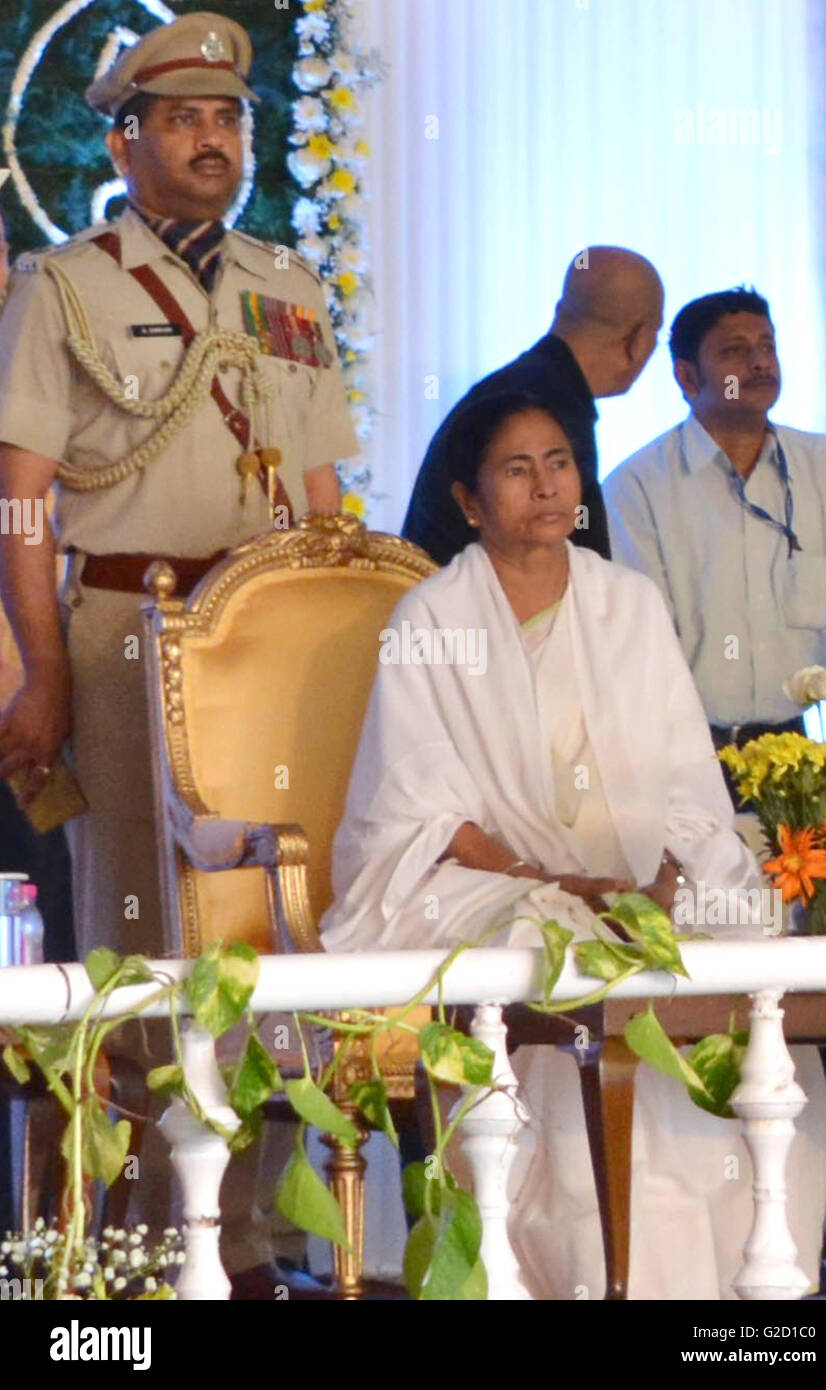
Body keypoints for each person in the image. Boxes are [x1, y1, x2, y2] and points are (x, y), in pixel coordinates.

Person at [321, 391, 826, 1300]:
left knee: (740, 925)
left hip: (638, 875)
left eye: (558, 463)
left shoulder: (628, 603)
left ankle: (743, 1276)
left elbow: (684, 783)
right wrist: (561, 880)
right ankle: (586, 1268)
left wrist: (668, 878)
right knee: (550, 941)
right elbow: (426, 816)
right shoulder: (432, 619)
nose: (546, 486)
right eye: (517, 470)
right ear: (471, 501)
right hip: (492, 878)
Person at [0, 12, 357, 1296]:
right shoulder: (68, 286)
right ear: (127, 140)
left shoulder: (288, 288)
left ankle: (250, 1239)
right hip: (121, 636)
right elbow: (21, 495)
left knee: (261, 923)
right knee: (139, 929)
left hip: (265, 647)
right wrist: (39, 670)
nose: (211, 140)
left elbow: (321, 499)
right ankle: (150, 1243)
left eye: (229, 120)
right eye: (183, 119)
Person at [602, 287, 826, 802]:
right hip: (685, 757)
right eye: (734, 351)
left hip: (799, 755)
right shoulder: (638, 487)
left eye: (767, 346)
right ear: (686, 376)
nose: (760, 362)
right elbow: (642, 649)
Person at [401, 246, 663, 565]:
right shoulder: (545, 413)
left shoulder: (520, 388)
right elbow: (568, 562)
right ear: (638, 341)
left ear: (559, 311)